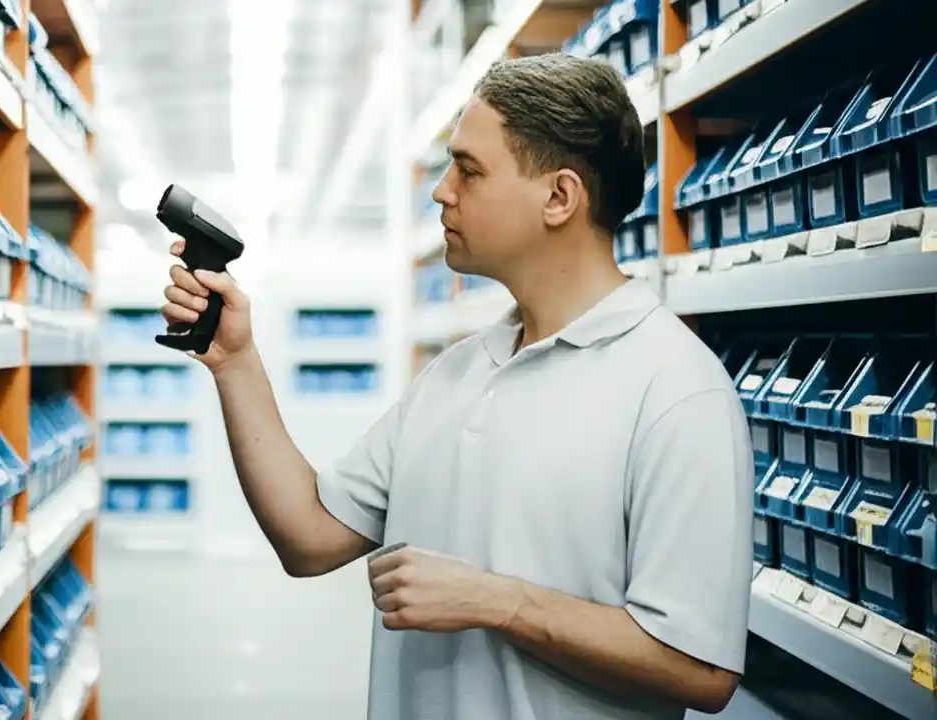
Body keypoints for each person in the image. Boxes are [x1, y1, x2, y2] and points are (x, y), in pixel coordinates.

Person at [160, 53, 752, 720]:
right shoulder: (457, 373)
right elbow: (309, 536)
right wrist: (235, 360)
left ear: (559, 198)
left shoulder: (676, 391)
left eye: (468, 170)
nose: (442, 191)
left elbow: (701, 670)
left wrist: (498, 601)